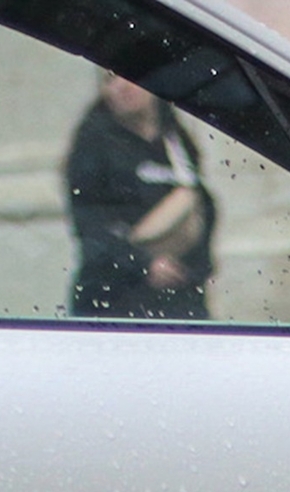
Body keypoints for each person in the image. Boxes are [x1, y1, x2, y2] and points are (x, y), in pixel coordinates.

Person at [65, 72, 214, 319]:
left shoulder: (177, 143)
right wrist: (144, 264)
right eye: (110, 80)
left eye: (131, 76)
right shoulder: (93, 145)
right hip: (114, 301)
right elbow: (91, 229)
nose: (122, 87)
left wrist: (190, 267)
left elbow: (205, 209)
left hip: (178, 301)